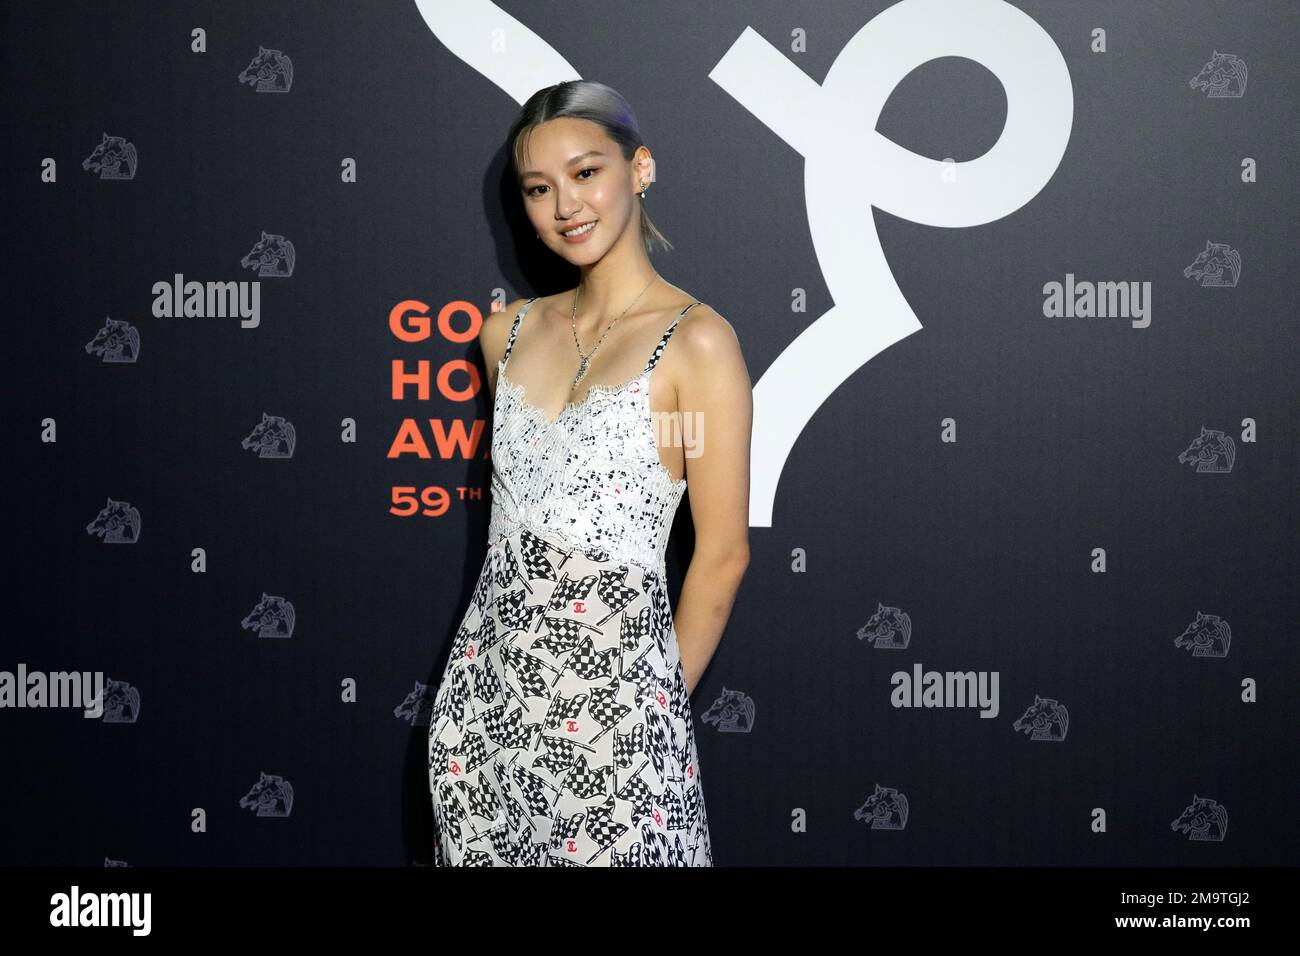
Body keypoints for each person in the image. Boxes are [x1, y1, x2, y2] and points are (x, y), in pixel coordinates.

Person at [428, 80, 751, 866]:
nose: (565, 205)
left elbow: (721, 552)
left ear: (639, 169)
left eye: (586, 173)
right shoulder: (504, 334)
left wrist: (650, 707)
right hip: (482, 714)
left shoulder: (696, 343)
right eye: (539, 188)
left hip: (617, 725)